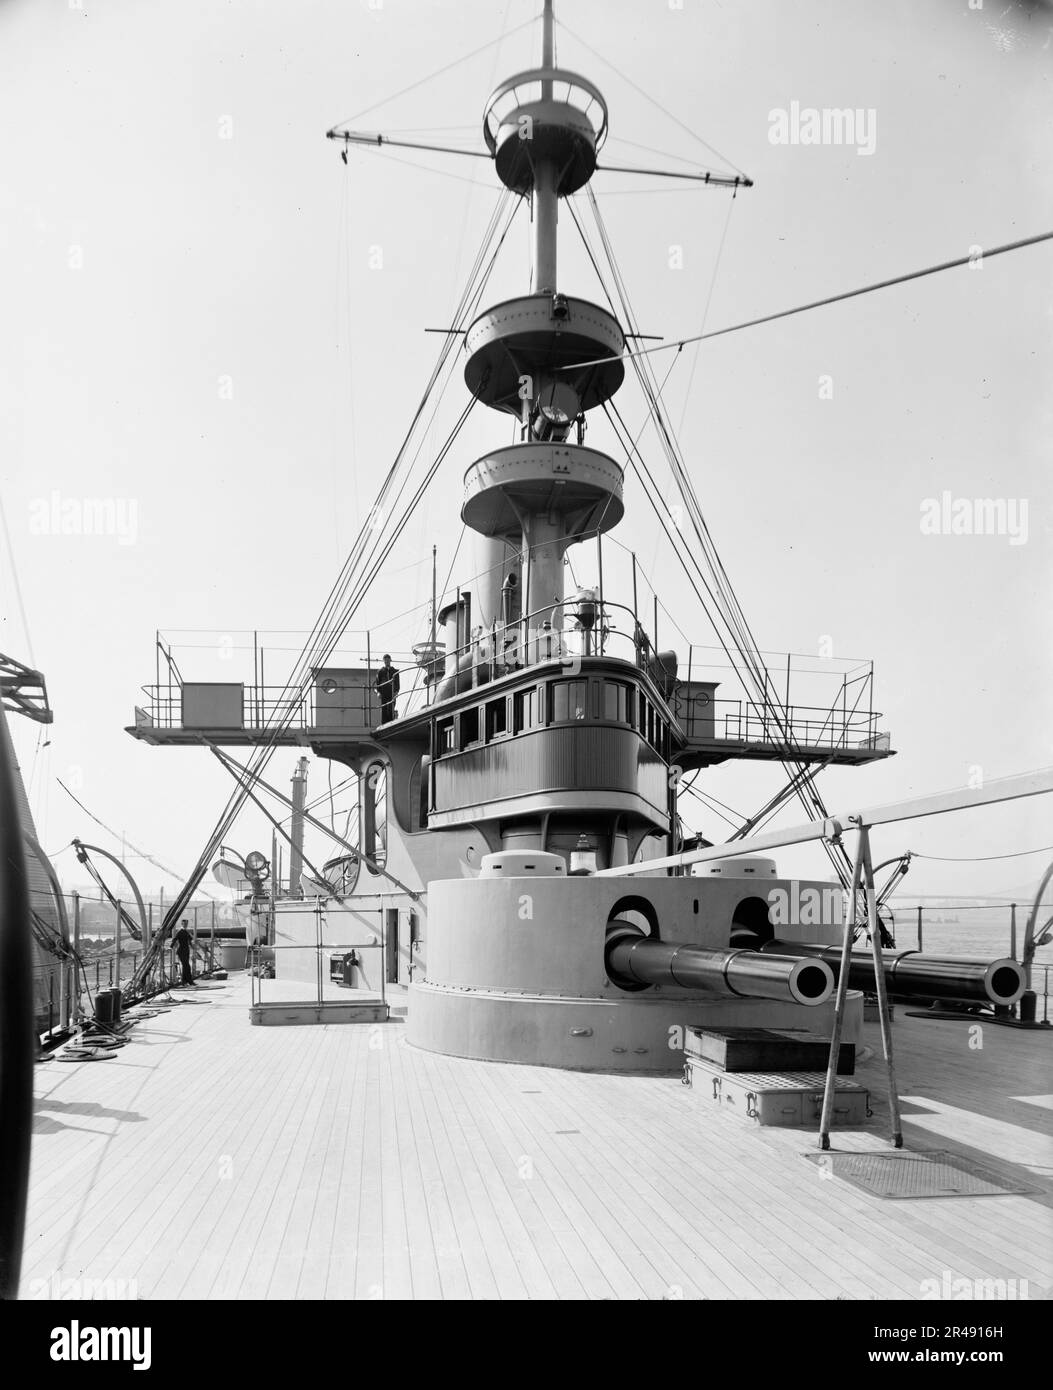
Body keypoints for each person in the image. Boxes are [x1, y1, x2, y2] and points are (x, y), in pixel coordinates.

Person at [374, 654, 400, 723]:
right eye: (385, 660)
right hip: (384, 693)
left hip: (392, 692)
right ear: (383, 661)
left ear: (390, 660)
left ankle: (391, 721)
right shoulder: (380, 672)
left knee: (391, 707)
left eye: (388, 660)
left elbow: (397, 683)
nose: (387, 662)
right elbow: (378, 683)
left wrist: (396, 692)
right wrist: (378, 692)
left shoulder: (395, 671)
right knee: (384, 708)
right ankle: (384, 723)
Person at [172, 918, 195, 987]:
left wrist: (192, 946)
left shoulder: (186, 931)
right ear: (182, 924)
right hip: (181, 951)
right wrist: (171, 947)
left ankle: (186, 981)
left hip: (186, 950)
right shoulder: (180, 931)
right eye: (184, 924)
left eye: (186, 924)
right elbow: (174, 939)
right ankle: (187, 981)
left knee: (186, 966)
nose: (185, 925)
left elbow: (190, 940)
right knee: (186, 966)